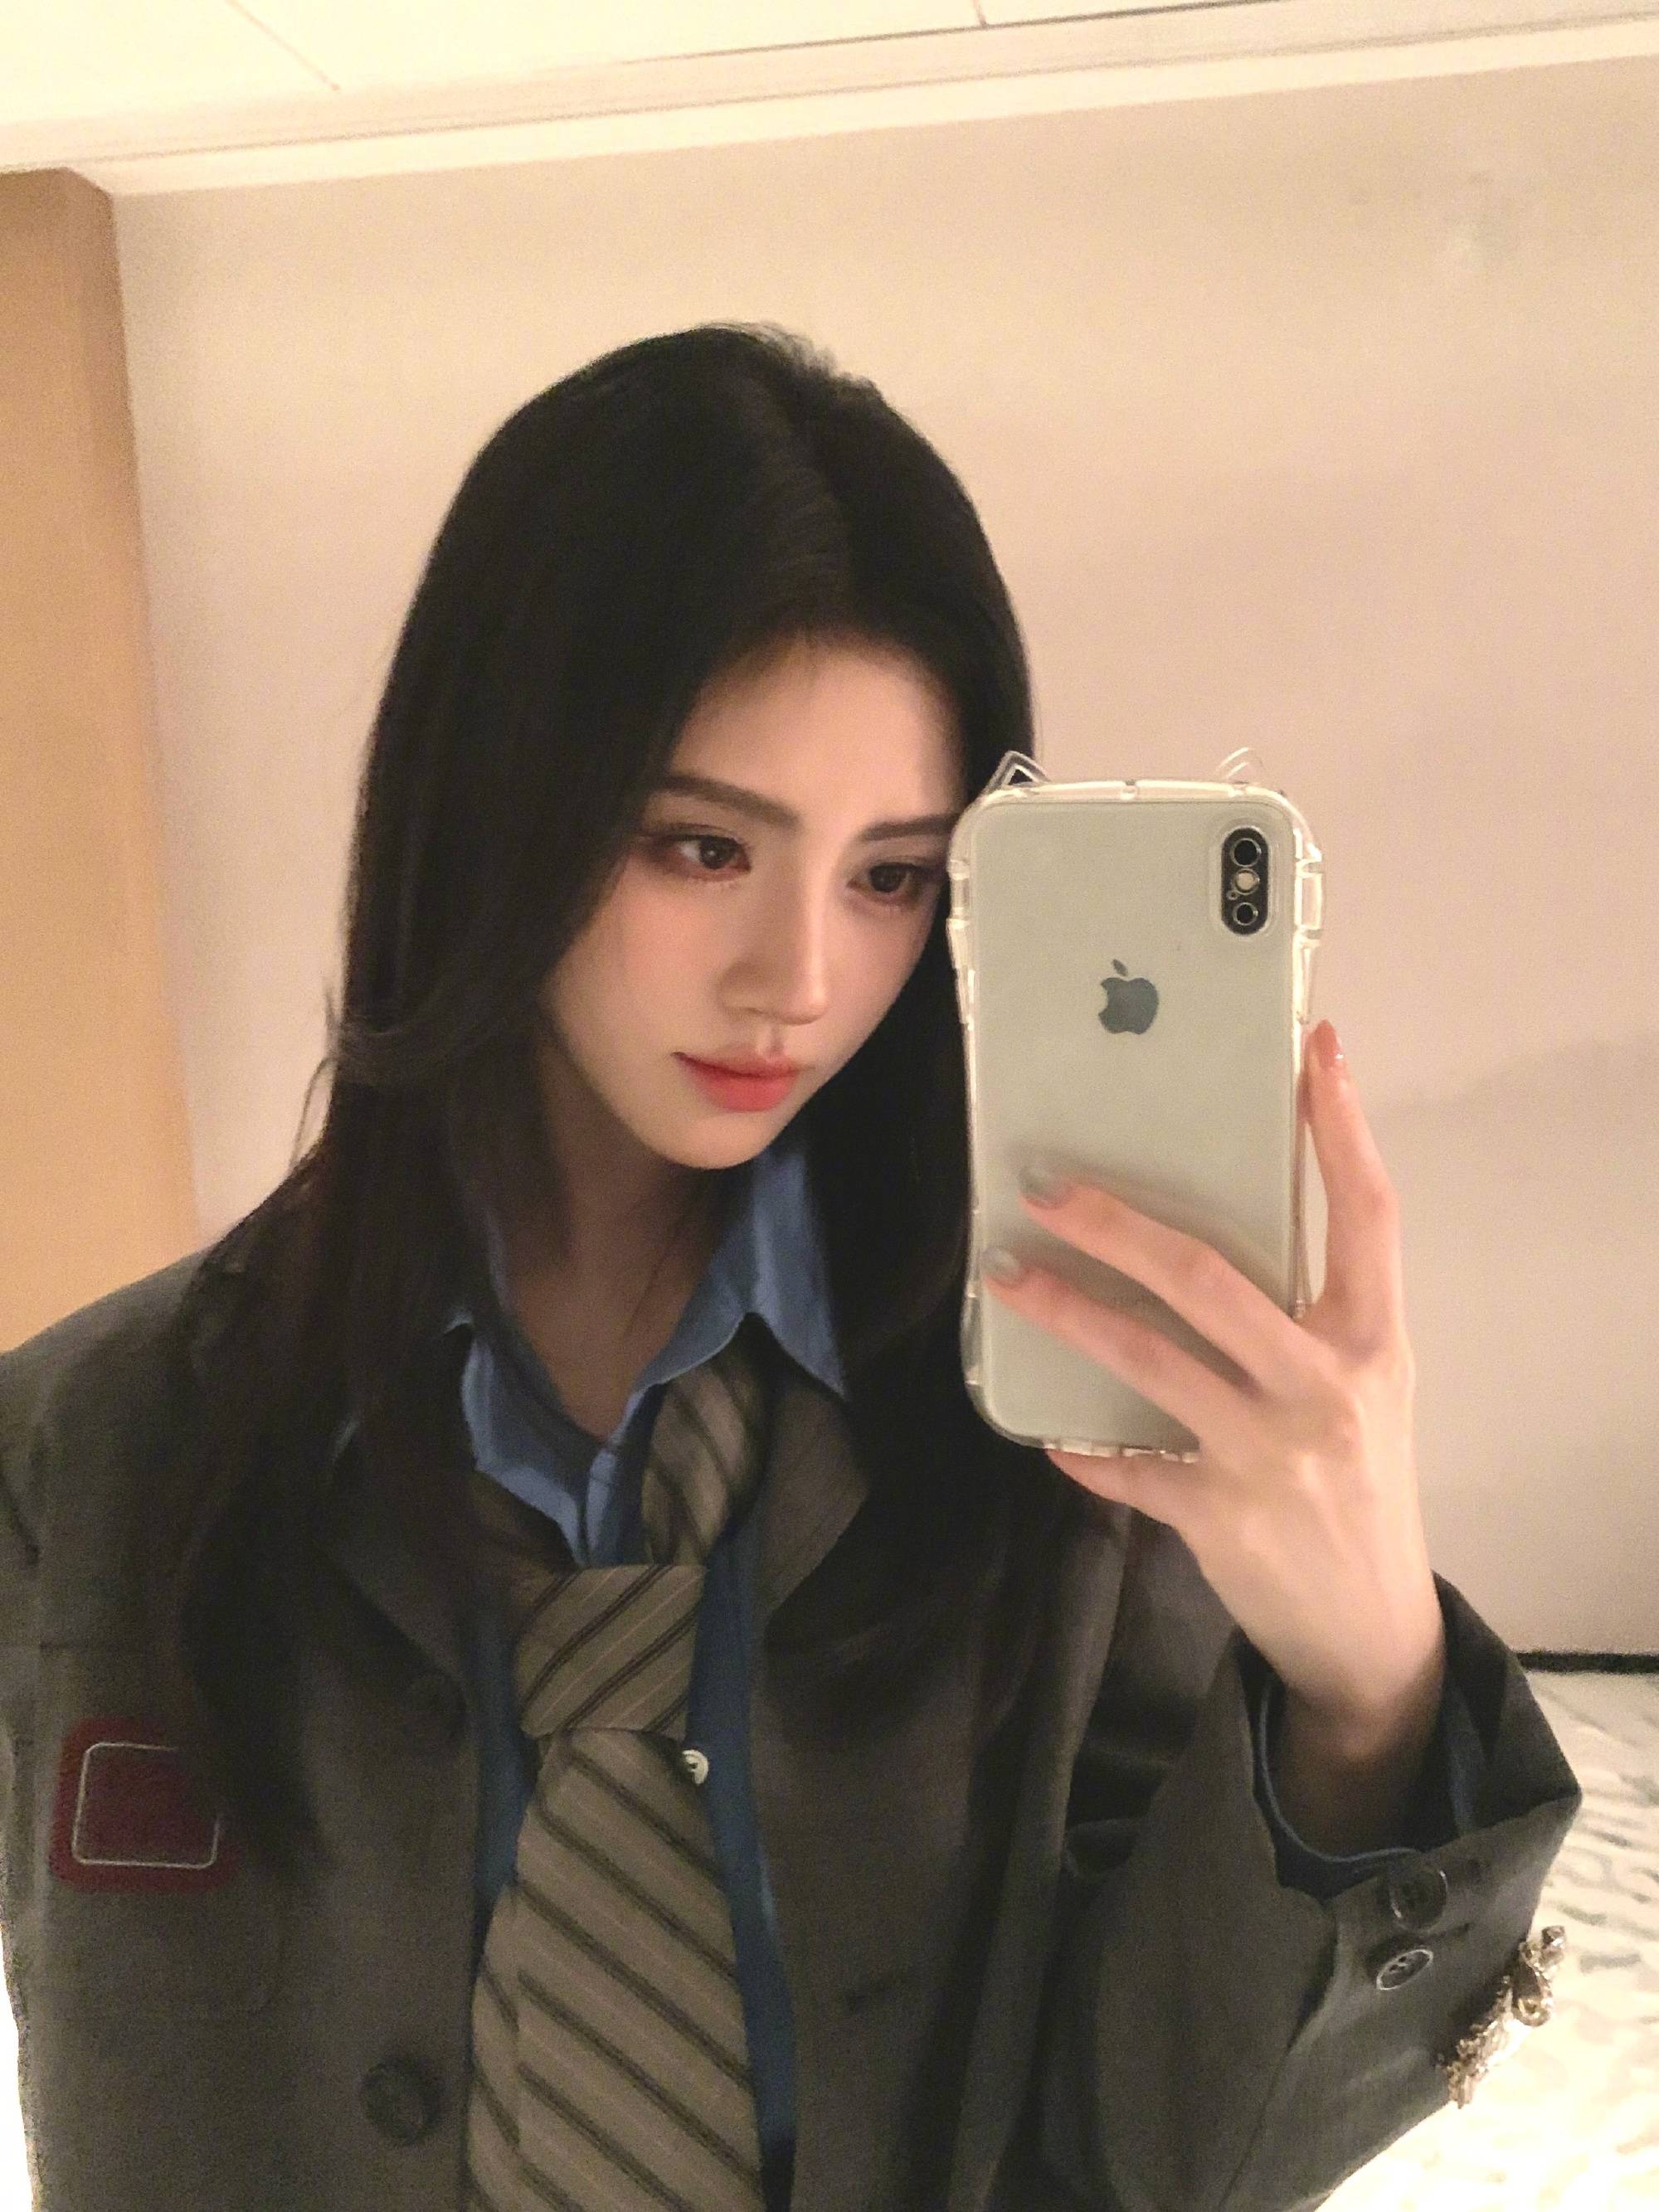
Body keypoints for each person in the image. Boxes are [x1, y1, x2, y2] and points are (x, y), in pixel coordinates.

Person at [0, 323, 1580, 2212]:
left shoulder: (1062, 1449)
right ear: (488, 804)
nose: (801, 980)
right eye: (699, 846)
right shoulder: (91, 1449)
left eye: (892, 874)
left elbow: (1166, 2159)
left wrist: (1367, 1692)